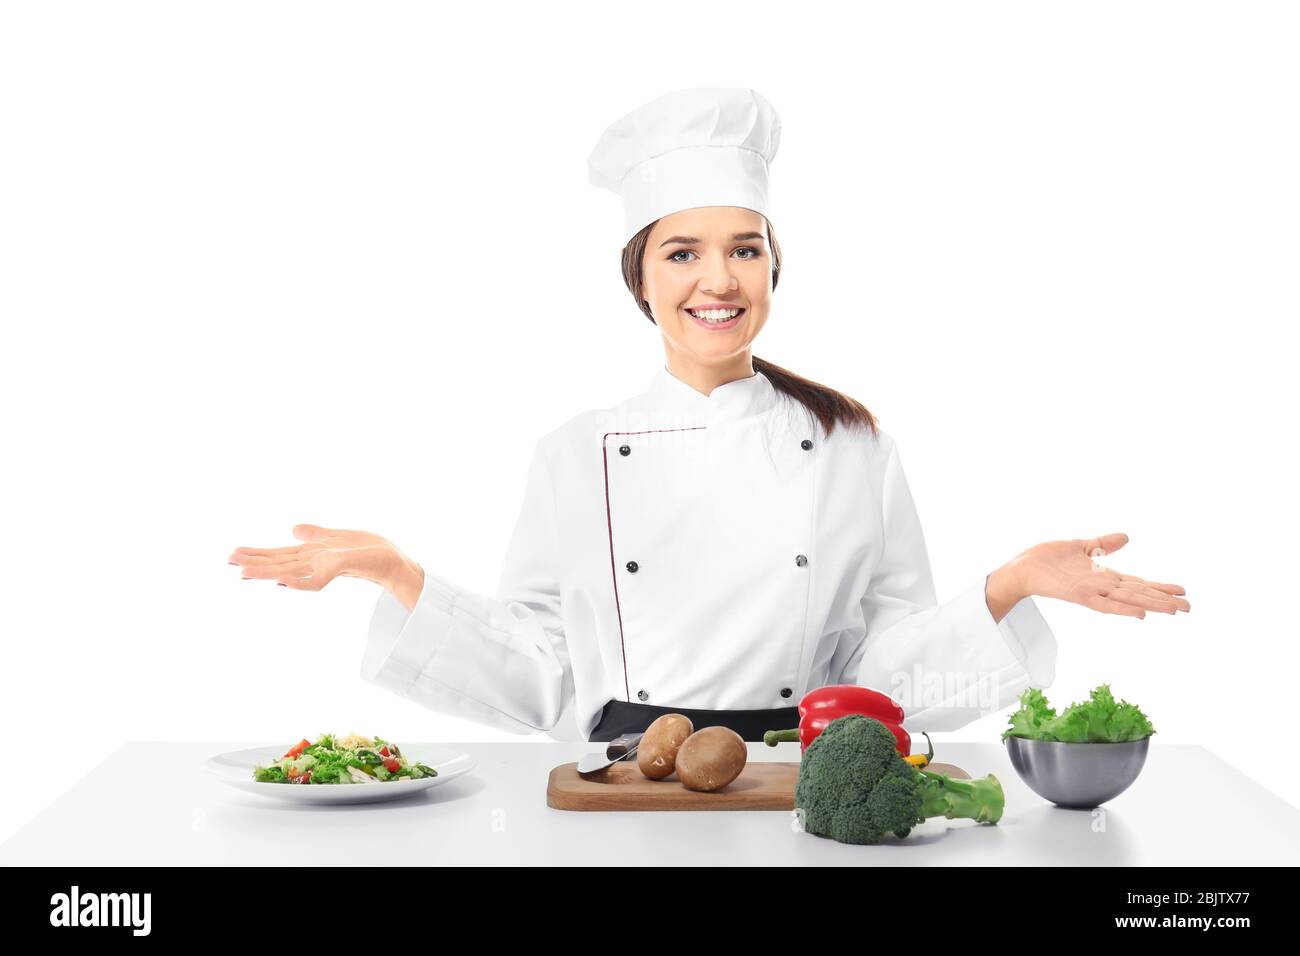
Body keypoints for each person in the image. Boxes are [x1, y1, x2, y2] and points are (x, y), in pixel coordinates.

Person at [229, 88, 1189, 743]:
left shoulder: (855, 447)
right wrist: (401, 577)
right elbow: (547, 673)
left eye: (745, 249)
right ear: (641, 280)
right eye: (682, 253)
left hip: (804, 782)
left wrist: (1006, 588)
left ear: (775, 267)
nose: (719, 280)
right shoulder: (576, 452)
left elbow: (886, 673)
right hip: (621, 782)